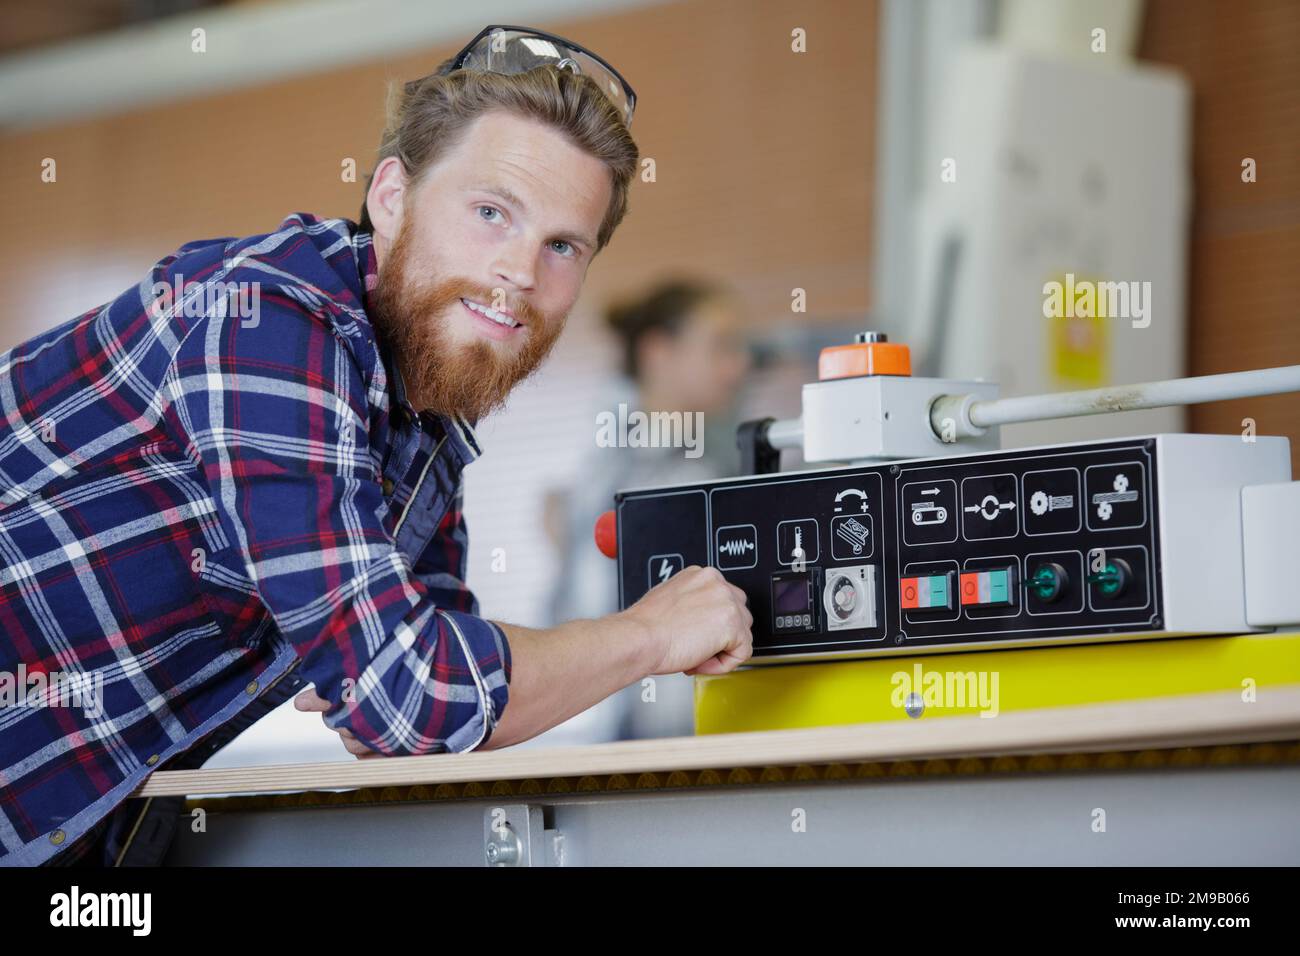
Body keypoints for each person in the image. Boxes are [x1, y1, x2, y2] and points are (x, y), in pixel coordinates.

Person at [0, 24, 752, 867]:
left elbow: (430, 713)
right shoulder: (266, 322)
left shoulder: (423, 424)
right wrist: (650, 636)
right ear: (392, 198)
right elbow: (408, 695)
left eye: (562, 245)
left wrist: (422, 674)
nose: (520, 273)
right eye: (491, 212)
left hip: (77, 834)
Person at [541, 280, 751, 742]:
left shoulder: (691, 463)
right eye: (720, 345)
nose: (737, 366)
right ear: (659, 351)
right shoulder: (623, 475)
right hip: (648, 739)